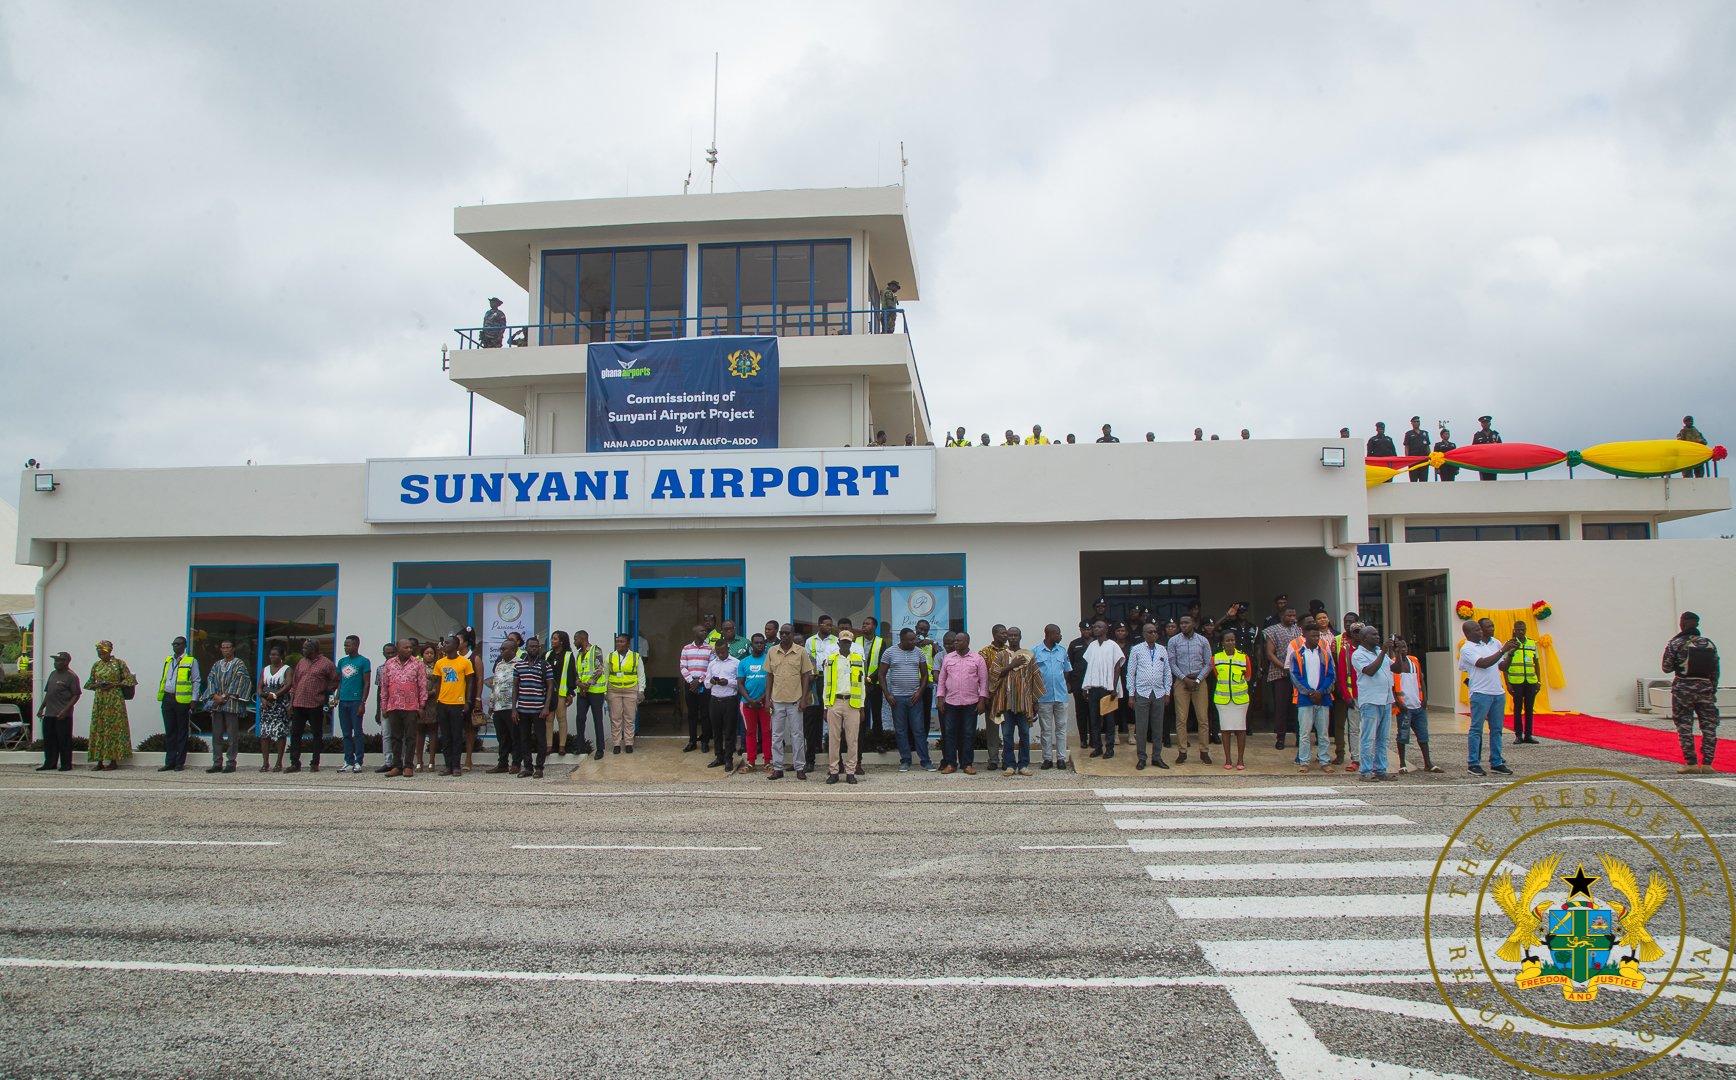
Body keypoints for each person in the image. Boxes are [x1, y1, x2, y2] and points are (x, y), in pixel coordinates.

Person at [1661, 612, 1720, 774]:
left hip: (1683, 689)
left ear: (1683, 623)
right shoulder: (1709, 644)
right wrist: (1711, 688)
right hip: (1706, 689)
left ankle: (1691, 763)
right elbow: (1715, 670)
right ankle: (1708, 764)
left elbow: (1666, 668)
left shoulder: (1676, 643)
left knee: (1684, 726)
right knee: (1709, 727)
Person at [1458, 619, 1515, 776]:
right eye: (1476, 629)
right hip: (1480, 693)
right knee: (1476, 729)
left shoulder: (1491, 644)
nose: (1480, 631)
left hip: (1497, 692)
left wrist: (1510, 653)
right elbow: (1483, 663)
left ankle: (1496, 762)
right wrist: (1503, 651)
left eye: (1480, 629)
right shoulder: (1467, 648)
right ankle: (1473, 763)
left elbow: (1502, 666)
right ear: (1468, 633)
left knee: (1496, 730)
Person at [989, 626, 1041, 777]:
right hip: (1006, 702)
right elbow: (995, 674)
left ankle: (1024, 765)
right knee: (1007, 735)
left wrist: (1035, 701)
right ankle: (1010, 765)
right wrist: (1012, 665)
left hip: (1024, 703)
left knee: (1024, 734)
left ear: (1020, 637)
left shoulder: (1028, 656)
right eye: (1010, 635)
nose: (1012, 637)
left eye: (1015, 635)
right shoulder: (1001, 656)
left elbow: (1034, 678)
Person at [765, 623, 814, 780]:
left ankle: (800, 767)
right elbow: (769, 676)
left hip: (795, 700)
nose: (784, 636)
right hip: (777, 700)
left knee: (797, 735)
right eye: (782, 633)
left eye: (787, 633)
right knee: (776, 736)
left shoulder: (801, 652)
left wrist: (804, 699)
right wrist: (767, 699)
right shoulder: (772, 651)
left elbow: (806, 676)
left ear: (793, 634)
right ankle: (778, 768)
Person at [935, 631, 988, 775]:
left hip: (970, 703)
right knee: (950, 734)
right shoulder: (948, 658)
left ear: (967, 642)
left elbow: (983, 682)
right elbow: (941, 680)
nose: (955, 643)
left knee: (968, 734)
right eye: (955, 641)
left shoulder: (977, 659)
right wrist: (940, 699)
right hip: (950, 702)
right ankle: (951, 763)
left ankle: (967, 764)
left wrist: (982, 701)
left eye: (958, 641)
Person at [283, 638, 338, 774]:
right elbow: (295, 684)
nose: (303, 650)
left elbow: (335, 681)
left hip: (315, 704)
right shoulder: (301, 662)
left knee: (317, 734)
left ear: (313, 649)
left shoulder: (327, 664)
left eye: (305, 648)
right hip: (299, 704)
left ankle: (315, 763)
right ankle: (295, 763)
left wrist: (325, 692)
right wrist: (291, 704)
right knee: (295, 733)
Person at [819, 630, 867, 784]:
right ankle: (834, 771)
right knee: (834, 739)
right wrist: (826, 707)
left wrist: (862, 706)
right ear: (838, 642)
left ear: (851, 644)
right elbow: (826, 683)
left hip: (852, 703)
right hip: (835, 702)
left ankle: (850, 772)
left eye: (848, 642)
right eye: (843, 641)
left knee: (852, 740)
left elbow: (862, 685)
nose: (845, 644)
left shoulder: (858, 659)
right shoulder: (830, 659)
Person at [1125, 621, 1172, 771]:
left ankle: (1157, 757)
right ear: (1144, 634)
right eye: (1150, 632)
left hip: (1158, 692)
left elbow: (1167, 672)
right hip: (1142, 693)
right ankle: (1142, 757)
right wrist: (1131, 695)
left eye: (1155, 632)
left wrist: (1167, 692)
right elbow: (1130, 673)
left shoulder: (1162, 650)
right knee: (1142, 727)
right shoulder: (1136, 650)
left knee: (1158, 728)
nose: (1153, 634)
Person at [1289, 624, 1336, 772]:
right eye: (1313, 636)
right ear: (1305, 636)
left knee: (1323, 733)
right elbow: (1295, 676)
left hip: (1323, 698)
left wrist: (1321, 691)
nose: (1316, 638)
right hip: (1305, 699)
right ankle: (1304, 761)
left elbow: (1331, 675)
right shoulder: (1297, 655)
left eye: (1318, 636)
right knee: (1304, 733)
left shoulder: (1324, 654)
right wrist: (1309, 692)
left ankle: (1324, 760)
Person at [1167, 615, 1213, 765]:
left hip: (1200, 681)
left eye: (1187, 623)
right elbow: (1171, 663)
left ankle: (1204, 751)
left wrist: (1198, 679)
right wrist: (1185, 679)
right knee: (1181, 719)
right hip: (1182, 681)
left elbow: (1208, 663)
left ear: (1193, 623)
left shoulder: (1203, 640)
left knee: (1203, 719)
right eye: (1181, 623)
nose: (1183, 625)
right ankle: (1182, 751)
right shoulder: (1173, 641)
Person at [201, 639, 252, 774]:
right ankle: (217, 762)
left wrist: (223, 697)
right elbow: (211, 679)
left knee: (232, 736)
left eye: (228, 647)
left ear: (233, 649)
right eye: (223, 647)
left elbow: (240, 681)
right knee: (216, 735)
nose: (225, 650)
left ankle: (231, 762)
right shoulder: (217, 665)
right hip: (217, 704)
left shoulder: (239, 664)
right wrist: (214, 696)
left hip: (231, 703)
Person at [1353, 627, 1397, 782]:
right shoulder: (1358, 654)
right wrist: (1384, 652)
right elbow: (1370, 671)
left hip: (1386, 699)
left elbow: (1396, 669)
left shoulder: (1379, 652)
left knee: (1383, 738)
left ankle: (1380, 769)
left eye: (1378, 634)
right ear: (1364, 638)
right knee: (1368, 737)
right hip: (1370, 700)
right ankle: (1365, 771)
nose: (1378, 636)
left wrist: (1397, 653)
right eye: (1374, 634)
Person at [380, 639, 428, 778]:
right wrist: (384, 706)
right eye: (406, 647)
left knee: (411, 737)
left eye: (410, 647)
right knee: (396, 737)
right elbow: (384, 686)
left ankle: (408, 766)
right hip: (393, 705)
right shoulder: (389, 664)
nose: (409, 650)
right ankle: (396, 766)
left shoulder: (418, 663)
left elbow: (422, 685)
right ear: (398, 648)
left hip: (411, 706)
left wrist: (422, 705)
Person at [430, 637, 475, 776]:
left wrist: (468, 702)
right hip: (443, 703)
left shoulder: (465, 662)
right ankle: (447, 765)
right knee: (445, 737)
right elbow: (437, 683)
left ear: (456, 645)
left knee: (456, 736)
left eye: (448, 643)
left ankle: (456, 766)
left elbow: (470, 683)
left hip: (458, 703)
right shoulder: (440, 663)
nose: (445, 645)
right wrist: (437, 700)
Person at [1391, 642, 1439, 774]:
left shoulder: (1414, 661)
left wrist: (1424, 698)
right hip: (1404, 707)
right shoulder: (1393, 663)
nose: (1402, 650)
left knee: (1423, 735)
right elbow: (1392, 687)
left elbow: (1421, 679)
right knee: (1403, 735)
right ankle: (1402, 763)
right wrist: (1398, 703)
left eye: (1404, 647)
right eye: (1399, 648)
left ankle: (1428, 763)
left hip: (1418, 705)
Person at [1080, 620, 1124, 759]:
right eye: (1095, 627)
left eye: (1099, 627)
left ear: (1106, 629)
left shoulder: (1112, 645)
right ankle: (1097, 747)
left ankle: (1109, 748)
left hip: (1107, 689)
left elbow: (1117, 667)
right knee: (1094, 719)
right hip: (1093, 688)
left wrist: (1113, 686)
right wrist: (1085, 686)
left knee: (1109, 720)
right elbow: (1090, 667)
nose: (1095, 629)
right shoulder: (1092, 646)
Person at [156, 636, 201, 772]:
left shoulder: (191, 661)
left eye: (178, 644)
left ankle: (179, 762)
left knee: (182, 732)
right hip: (168, 699)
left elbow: (196, 680)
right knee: (170, 732)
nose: (175, 646)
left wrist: (194, 700)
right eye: (174, 644)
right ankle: (169, 762)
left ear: (184, 646)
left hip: (182, 700)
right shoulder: (168, 660)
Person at [1263, 606, 1304, 753]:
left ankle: (1300, 737)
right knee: (1281, 707)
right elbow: (1269, 653)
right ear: (1281, 615)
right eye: (1289, 615)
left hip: (1298, 674)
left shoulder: (1299, 630)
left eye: (1294, 615)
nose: (1292, 618)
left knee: (1298, 707)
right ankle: (1280, 737)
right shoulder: (1272, 630)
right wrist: (1284, 667)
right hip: (1280, 673)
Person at [1030, 624, 1071, 772]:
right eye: (1058, 634)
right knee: (1046, 730)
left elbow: (1066, 670)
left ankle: (1061, 759)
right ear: (1049, 634)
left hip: (1061, 696)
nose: (1060, 636)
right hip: (1043, 697)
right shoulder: (1035, 651)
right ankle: (1047, 759)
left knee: (1061, 728)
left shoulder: (1062, 651)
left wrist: (1064, 685)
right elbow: (1031, 675)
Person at [512, 636, 553, 778]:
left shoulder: (544, 665)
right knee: (524, 739)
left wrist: (546, 707)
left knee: (541, 739)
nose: (534, 649)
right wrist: (514, 709)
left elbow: (550, 686)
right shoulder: (519, 665)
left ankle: (539, 767)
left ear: (539, 648)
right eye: (531, 646)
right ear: (526, 648)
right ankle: (528, 767)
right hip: (522, 708)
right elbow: (515, 687)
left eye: (536, 646)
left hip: (538, 709)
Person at [1211, 630, 1252, 771]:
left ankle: (1240, 759)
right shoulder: (1216, 658)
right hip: (1222, 700)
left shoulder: (1243, 657)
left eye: (1232, 640)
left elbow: (1248, 676)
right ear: (1222, 643)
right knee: (1226, 730)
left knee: (1241, 729)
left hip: (1240, 700)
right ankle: (1228, 758)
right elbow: (1216, 675)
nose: (1230, 643)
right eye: (1227, 640)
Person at [36, 651, 80, 772]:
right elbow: (48, 693)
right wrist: (41, 708)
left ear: (66, 662)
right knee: (49, 740)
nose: (56, 663)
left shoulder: (71, 676)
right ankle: (50, 763)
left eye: (59, 660)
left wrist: (65, 711)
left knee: (63, 740)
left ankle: (66, 764)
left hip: (63, 715)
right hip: (50, 713)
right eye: (55, 661)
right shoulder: (52, 674)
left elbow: (76, 695)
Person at [334, 634, 371, 774]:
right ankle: (348, 761)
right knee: (346, 733)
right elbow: (339, 681)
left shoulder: (364, 661)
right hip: (343, 700)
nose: (345, 647)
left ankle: (358, 761)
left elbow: (366, 683)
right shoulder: (342, 661)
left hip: (356, 701)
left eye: (348, 645)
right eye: (344, 645)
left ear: (356, 645)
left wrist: (363, 702)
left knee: (358, 732)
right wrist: (337, 697)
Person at [1500, 620, 1542, 744]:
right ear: (1514, 630)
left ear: (1526, 630)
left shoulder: (1532, 643)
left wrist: (1538, 681)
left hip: (1530, 681)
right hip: (1516, 682)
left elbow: (1537, 663)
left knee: (1529, 709)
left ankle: (1528, 735)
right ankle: (1518, 735)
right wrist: (1507, 683)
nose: (1520, 631)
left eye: (1522, 629)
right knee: (1517, 709)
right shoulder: (1509, 644)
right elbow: (1504, 666)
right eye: (1518, 629)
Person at [704, 638, 742, 772]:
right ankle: (719, 756)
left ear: (728, 650)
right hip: (715, 700)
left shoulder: (736, 663)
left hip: (729, 700)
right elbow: (706, 683)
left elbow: (740, 683)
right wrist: (712, 682)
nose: (720, 655)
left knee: (729, 731)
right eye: (718, 652)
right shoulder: (712, 664)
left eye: (723, 652)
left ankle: (728, 759)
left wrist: (728, 682)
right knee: (716, 731)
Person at [570, 630, 609, 759]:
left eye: (576, 639)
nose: (574, 642)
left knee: (597, 720)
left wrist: (587, 685)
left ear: (582, 638)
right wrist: (579, 683)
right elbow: (577, 672)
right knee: (580, 718)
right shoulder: (579, 654)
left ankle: (600, 749)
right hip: (582, 691)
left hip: (595, 691)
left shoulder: (596, 650)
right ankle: (580, 747)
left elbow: (599, 670)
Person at [1330, 613, 1361, 769]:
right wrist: (1339, 689)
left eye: (1351, 622)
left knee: (1357, 727)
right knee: (1340, 724)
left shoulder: (1364, 642)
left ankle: (1358, 756)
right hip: (1342, 690)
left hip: (1360, 692)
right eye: (1346, 622)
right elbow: (1336, 666)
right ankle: (1340, 753)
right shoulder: (1337, 640)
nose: (1348, 624)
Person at [737, 633, 772, 772]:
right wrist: (751, 700)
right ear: (751, 645)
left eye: (762, 643)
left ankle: (768, 762)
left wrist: (761, 699)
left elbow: (772, 682)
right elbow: (740, 684)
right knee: (750, 733)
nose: (759, 645)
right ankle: (751, 762)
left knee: (766, 732)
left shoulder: (769, 661)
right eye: (756, 643)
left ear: (765, 645)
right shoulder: (744, 662)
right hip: (747, 704)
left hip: (765, 703)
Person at [606, 633, 645, 754]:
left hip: (631, 689)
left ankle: (628, 743)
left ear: (628, 644)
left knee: (629, 717)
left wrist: (641, 690)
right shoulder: (610, 657)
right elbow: (606, 675)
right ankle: (616, 743)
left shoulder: (635, 657)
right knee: (615, 717)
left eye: (622, 641)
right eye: (617, 641)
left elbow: (641, 675)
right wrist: (604, 691)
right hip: (614, 690)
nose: (618, 643)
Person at [486, 640, 520, 774]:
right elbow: (495, 685)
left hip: (512, 707)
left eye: (504, 649)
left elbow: (519, 687)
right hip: (499, 706)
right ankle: (502, 764)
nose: (501, 652)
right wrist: (491, 704)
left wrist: (515, 708)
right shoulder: (499, 665)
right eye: (500, 649)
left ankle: (516, 763)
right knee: (502, 737)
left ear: (513, 650)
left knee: (515, 737)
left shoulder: (519, 665)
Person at [257, 646, 291, 772]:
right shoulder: (265, 669)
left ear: (281, 656)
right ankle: (265, 762)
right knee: (265, 734)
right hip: (267, 705)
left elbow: (288, 685)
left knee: (280, 733)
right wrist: (262, 698)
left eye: (276, 654)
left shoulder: (287, 669)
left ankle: (278, 762)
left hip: (280, 704)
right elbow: (260, 686)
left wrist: (275, 695)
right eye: (271, 654)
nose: (273, 657)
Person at [679, 624, 713, 754]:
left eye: (705, 631)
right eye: (702, 631)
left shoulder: (710, 649)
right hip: (690, 685)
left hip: (704, 685)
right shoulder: (686, 649)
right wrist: (691, 681)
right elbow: (682, 666)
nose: (705, 632)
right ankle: (692, 741)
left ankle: (705, 741)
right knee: (692, 714)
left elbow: (711, 667)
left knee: (705, 714)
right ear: (695, 633)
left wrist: (699, 681)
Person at [417, 643, 441, 770]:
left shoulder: (438, 666)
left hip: (433, 702)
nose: (429, 655)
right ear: (422, 654)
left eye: (431, 653)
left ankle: (432, 761)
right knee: (419, 731)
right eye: (427, 653)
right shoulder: (416, 666)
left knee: (432, 731)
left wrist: (430, 693)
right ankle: (419, 761)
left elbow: (439, 684)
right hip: (419, 702)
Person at [1472, 415, 1502, 480]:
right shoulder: (1477, 435)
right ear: (1481, 424)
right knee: (1484, 481)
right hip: (1482, 462)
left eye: (1487, 422)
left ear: (1490, 423)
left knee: (1493, 480)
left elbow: (1501, 448)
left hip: (1493, 461)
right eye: (1483, 423)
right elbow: (1473, 449)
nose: (1485, 424)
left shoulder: (1495, 434)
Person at [1402, 416, 1431, 480]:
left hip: (1424, 458)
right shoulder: (1409, 434)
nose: (1416, 423)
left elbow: (1427, 446)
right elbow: (1406, 446)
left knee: (1424, 479)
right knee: (1413, 478)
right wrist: (1407, 458)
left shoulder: (1425, 433)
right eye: (1414, 422)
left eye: (1418, 421)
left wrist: (1430, 456)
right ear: (1412, 423)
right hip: (1413, 459)